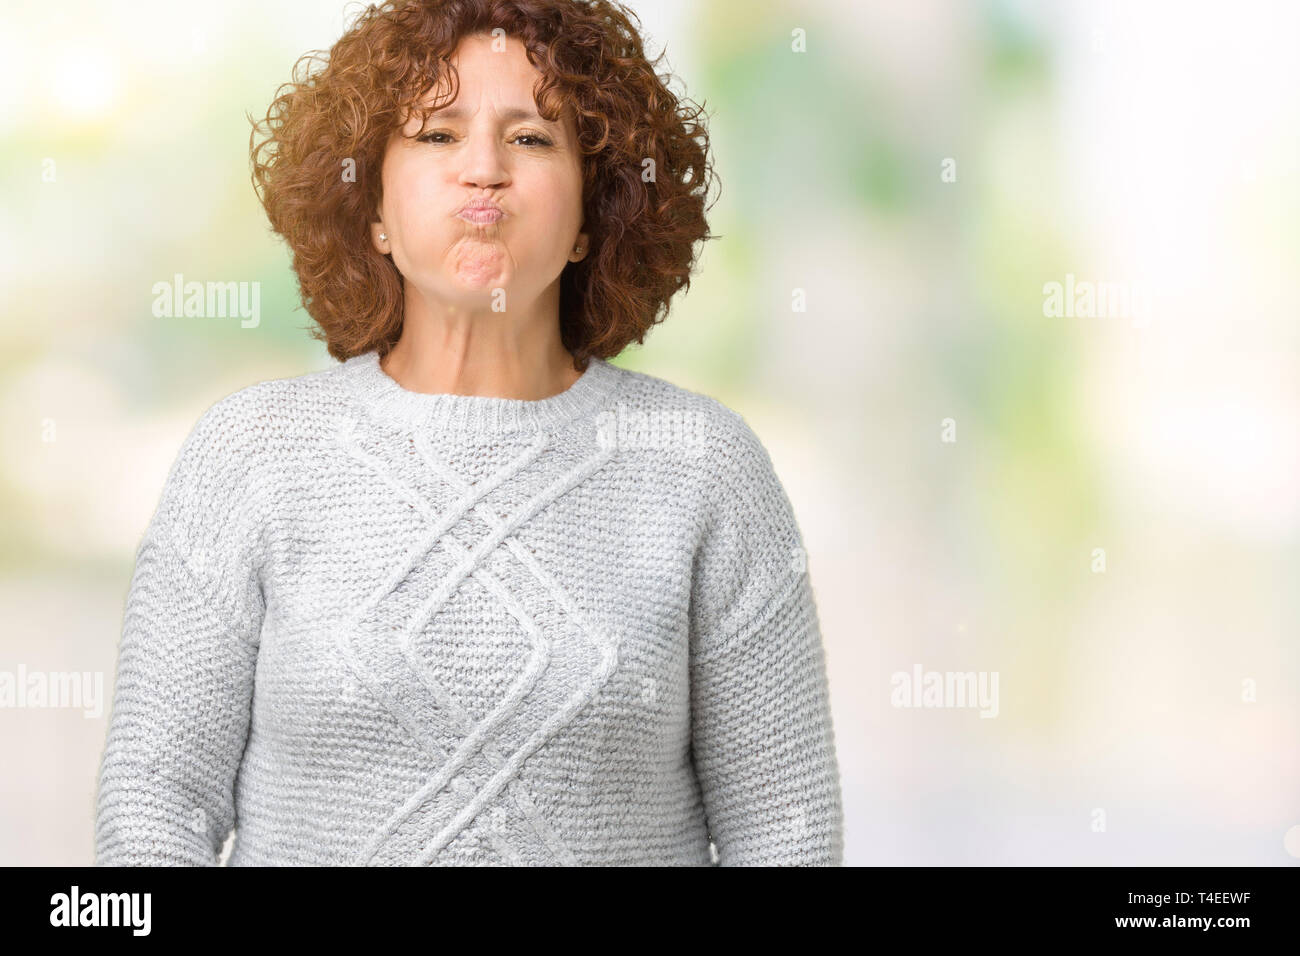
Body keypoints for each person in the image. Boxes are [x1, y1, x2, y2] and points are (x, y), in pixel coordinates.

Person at [93, 0, 843, 866]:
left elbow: (785, 836)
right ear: (371, 205)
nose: (483, 169)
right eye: (436, 135)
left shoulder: (705, 468)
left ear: (593, 216)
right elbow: (154, 810)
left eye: (531, 138)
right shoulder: (250, 456)